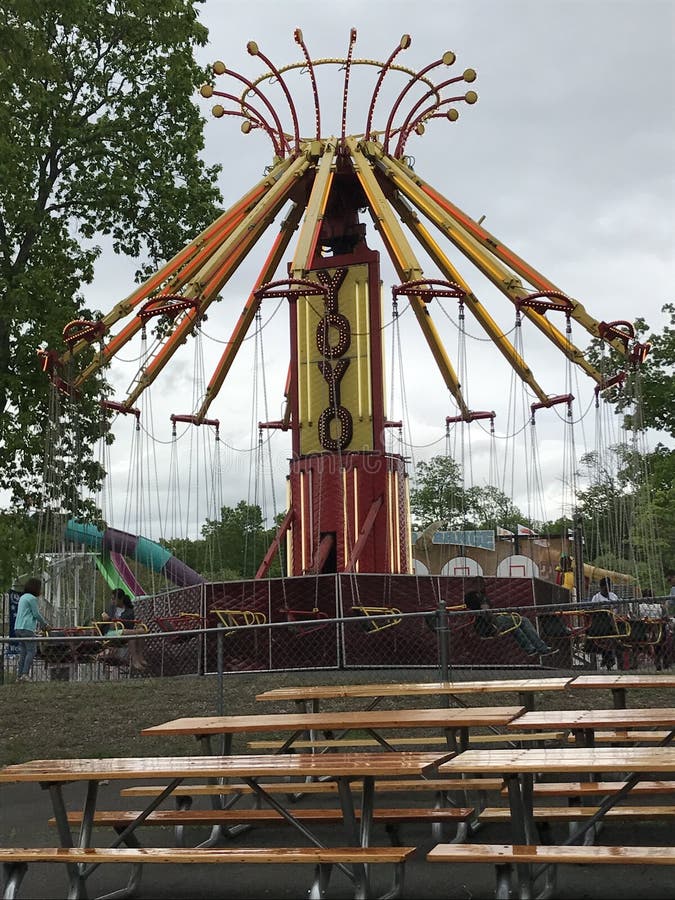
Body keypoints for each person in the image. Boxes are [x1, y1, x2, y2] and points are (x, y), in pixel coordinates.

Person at [463, 577, 558, 657]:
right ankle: (542, 648)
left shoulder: (468, 597)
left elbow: (479, 612)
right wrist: (494, 626)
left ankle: (530, 649)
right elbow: (486, 612)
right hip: (490, 625)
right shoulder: (480, 597)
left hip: (480, 628)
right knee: (523, 620)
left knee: (514, 625)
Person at [100, 588, 147, 671]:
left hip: (124, 635)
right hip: (110, 634)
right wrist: (106, 619)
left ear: (121, 599)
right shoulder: (110, 609)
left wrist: (112, 620)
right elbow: (104, 624)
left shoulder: (129, 611)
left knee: (131, 636)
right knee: (134, 632)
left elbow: (128, 625)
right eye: (112, 599)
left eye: (114, 599)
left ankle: (138, 657)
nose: (112, 601)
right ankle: (135, 659)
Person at [14, 577, 51, 682]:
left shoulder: (23, 597)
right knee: (32, 651)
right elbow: (36, 614)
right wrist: (45, 624)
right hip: (27, 628)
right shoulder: (32, 598)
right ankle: (25, 674)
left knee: (23, 652)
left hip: (18, 627)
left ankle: (19, 675)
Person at [586, 577, 626, 670]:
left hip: (614, 622)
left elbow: (618, 609)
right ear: (601, 587)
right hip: (601, 624)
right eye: (605, 587)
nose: (608, 590)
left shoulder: (614, 596)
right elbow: (593, 611)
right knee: (607, 640)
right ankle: (609, 659)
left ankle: (613, 660)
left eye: (609, 587)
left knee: (614, 640)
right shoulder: (596, 598)